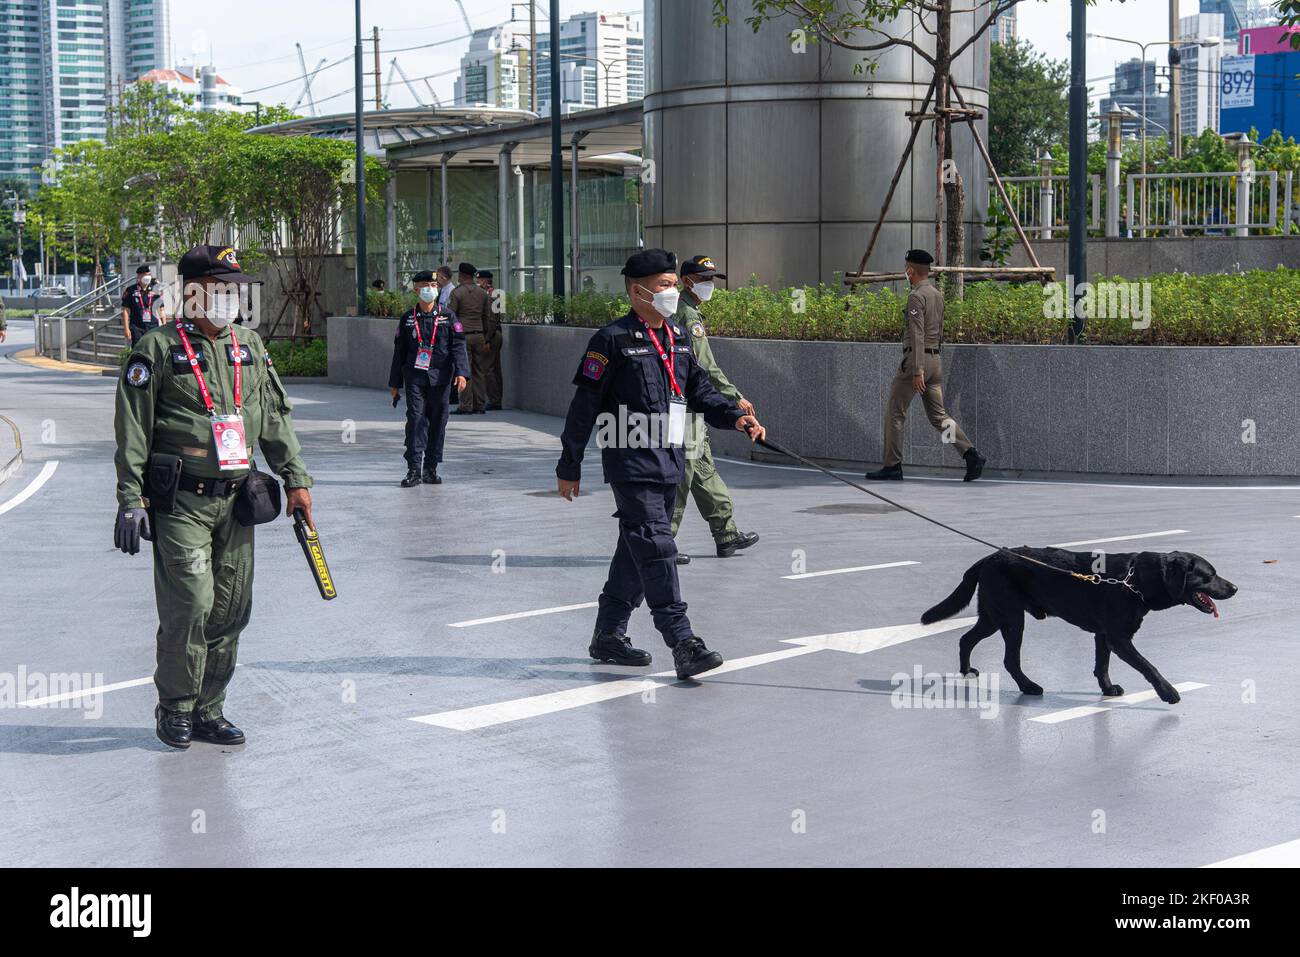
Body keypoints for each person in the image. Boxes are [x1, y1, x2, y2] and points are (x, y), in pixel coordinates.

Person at [112, 244, 315, 750]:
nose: (230, 297)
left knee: (230, 610)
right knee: (191, 604)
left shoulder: (248, 345)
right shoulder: (156, 349)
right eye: (220, 288)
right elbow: (132, 431)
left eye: (236, 289)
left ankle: (208, 709)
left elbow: (273, 417)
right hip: (180, 502)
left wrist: (295, 479)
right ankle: (176, 706)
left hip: (238, 500)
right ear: (192, 291)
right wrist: (130, 499)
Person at [556, 248, 767, 681]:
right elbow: (584, 407)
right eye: (666, 286)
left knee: (634, 552)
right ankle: (682, 641)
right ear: (638, 292)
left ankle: (608, 636)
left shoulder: (677, 337)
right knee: (656, 547)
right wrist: (569, 463)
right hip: (630, 460)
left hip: (670, 458)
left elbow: (700, 392)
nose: (674, 292)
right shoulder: (610, 340)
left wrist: (734, 416)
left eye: (674, 284)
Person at [865, 249, 986, 482]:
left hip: (916, 363)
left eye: (907, 268)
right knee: (939, 417)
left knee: (895, 413)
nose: (906, 273)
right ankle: (970, 454)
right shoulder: (937, 295)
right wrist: (931, 363)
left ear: (911, 270)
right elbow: (939, 331)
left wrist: (917, 370)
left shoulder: (916, 297)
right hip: (935, 361)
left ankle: (892, 466)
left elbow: (917, 335)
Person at [671, 255, 759, 566]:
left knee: (703, 472)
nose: (709, 285)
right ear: (687, 281)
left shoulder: (687, 311)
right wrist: (734, 397)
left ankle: (726, 534)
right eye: (703, 279)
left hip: (692, 407)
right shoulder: (687, 316)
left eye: (712, 279)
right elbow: (705, 367)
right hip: (687, 407)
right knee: (682, 474)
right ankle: (661, 543)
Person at [388, 269, 469, 487]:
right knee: (416, 419)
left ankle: (430, 468)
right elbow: (399, 352)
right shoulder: (407, 319)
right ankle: (414, 469)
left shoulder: (447, 316)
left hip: (441, 378)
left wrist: (462, 372)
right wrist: (395, 383)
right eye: (425, 286)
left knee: (438, 421)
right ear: (416, 290)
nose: (430, 290)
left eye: (433, 286)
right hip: (415, 377)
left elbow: (458, 345)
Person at [448, 262, 501, 414]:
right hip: (479, 336)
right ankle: (479, 404)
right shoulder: (482, 293)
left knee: (464, 371)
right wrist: (485, 338)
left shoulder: (457, 293)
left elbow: (451, 316)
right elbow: (487, 317)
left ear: (462, 275)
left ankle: (466, 405)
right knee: (479, 371)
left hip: (463, 337)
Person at [120, 264, 166, 344]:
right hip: (137, 327)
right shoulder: (130, 290)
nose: (148, 277)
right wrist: (126, 328)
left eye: (149, 274)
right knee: (138, 350)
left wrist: (165, 326)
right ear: (139, 276)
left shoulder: (155, 289)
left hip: (153, 326)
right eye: (145, 275)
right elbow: (125, 310)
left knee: (153, 350)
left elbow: (161, 309)